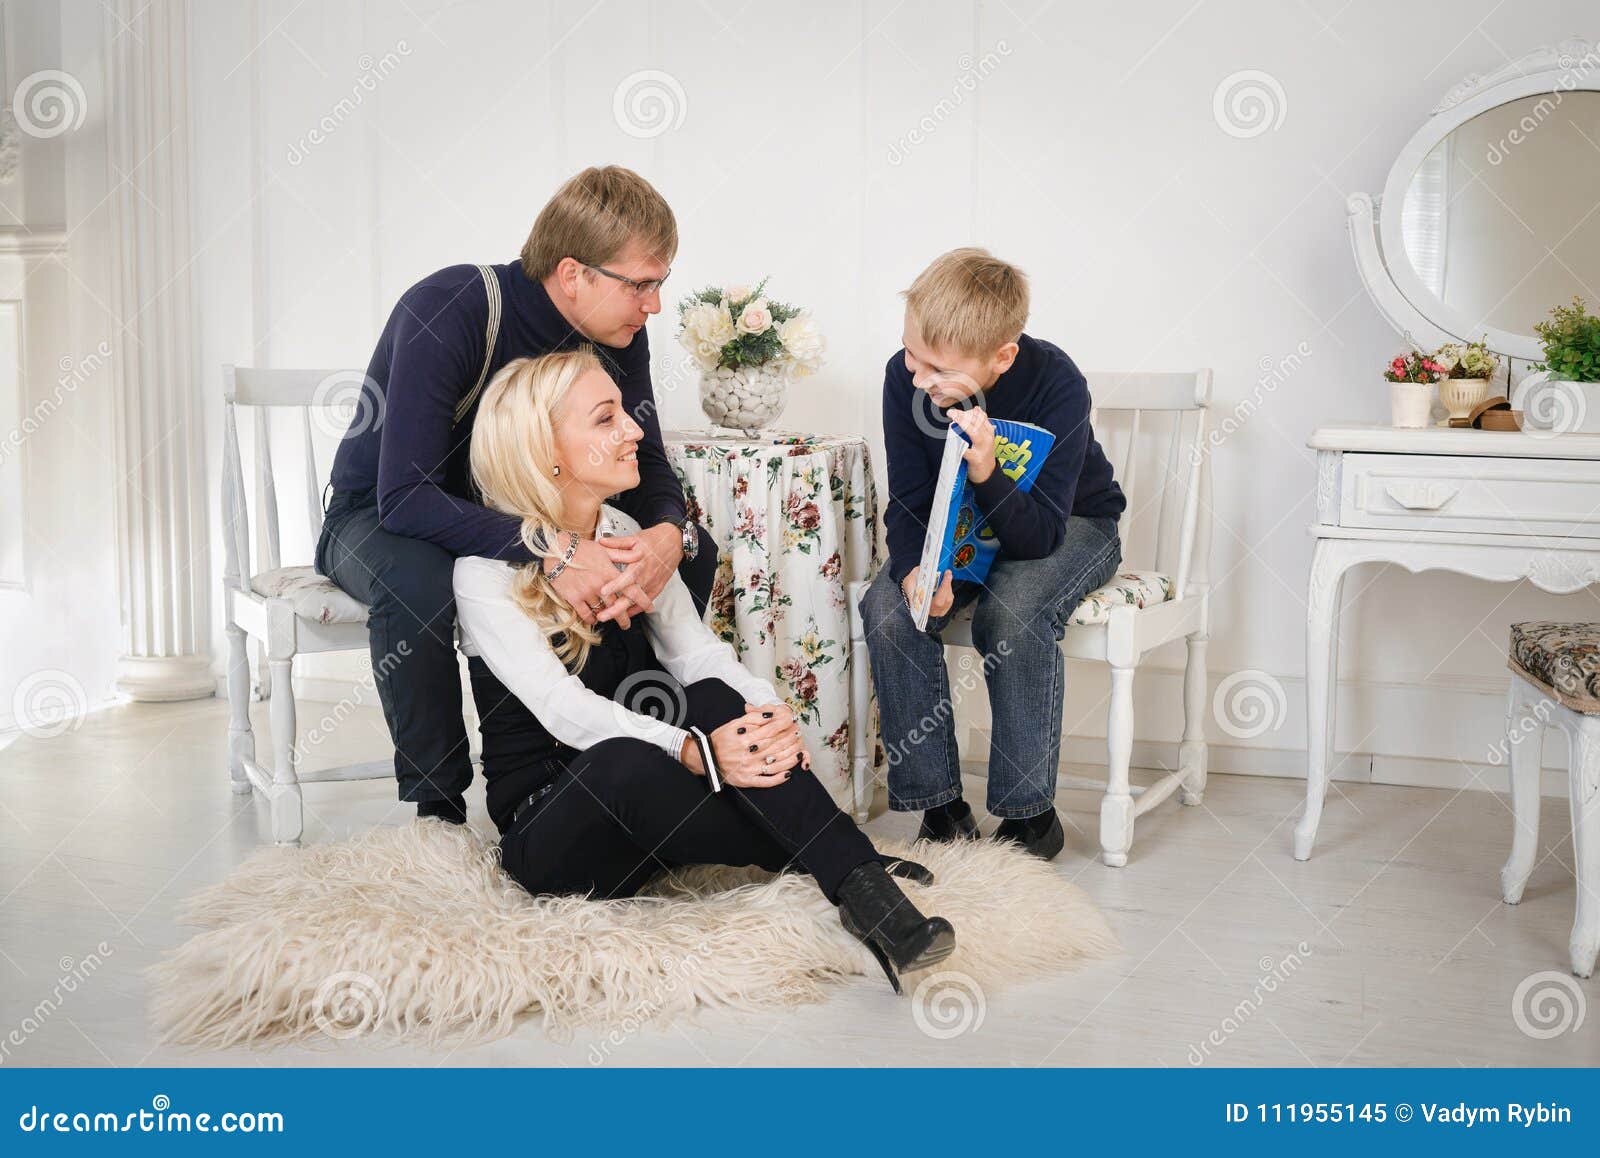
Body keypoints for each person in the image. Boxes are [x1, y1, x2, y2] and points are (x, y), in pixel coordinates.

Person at [451, 349, 957, 993]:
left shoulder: (625, 530)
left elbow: (696, 654)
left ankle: (872, 903)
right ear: (544, 449)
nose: (635, 430)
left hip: (649, 820)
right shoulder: (485, 573)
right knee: (627, 758)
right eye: (607, 419)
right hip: (556, 829)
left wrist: (763, 707)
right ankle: (828, 852)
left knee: (719, 695)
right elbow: (561, 708)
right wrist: (692, 751)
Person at [315, 166, 714, 826]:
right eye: (640, 284)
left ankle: (631, 750)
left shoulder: (618, 334)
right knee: (422, 578)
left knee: (686, 556)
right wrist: (555, 549)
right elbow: (406, 498)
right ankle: (437, 805)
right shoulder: (453, 306)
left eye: (660, 284)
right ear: (573, 273)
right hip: (381, 519)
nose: (654, 306)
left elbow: (646, 462)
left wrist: (669, 533)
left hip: (516, 517)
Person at [859, 248, 1126, 860]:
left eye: (937, 369)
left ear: (1001, 357)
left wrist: (987, 472)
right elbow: (908, 496)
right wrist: (916, 568)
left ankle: (1030, 815)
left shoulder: (1057, 384)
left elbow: (1039, 539)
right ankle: (941, 806)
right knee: (891, 609)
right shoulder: (905, 377)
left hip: (1071, 525)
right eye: (910, 356)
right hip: (959, 524)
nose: (918, 377)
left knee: (1014, 609)